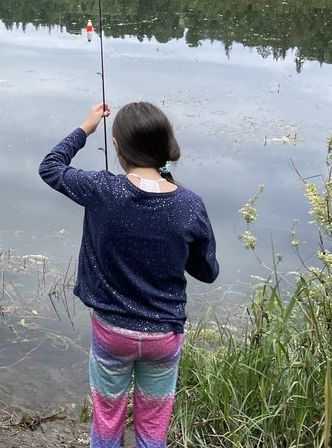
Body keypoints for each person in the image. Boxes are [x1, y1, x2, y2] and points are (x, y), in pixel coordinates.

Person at [39, 102, 218, 448]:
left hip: (112, 334)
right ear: (167, 147)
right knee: (153, 427)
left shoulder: (101, 189)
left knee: (107, 421)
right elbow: (206, 271)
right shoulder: (190, 204)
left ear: (117, 146)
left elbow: (51, 167)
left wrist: (86, 128)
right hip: (164, 337)